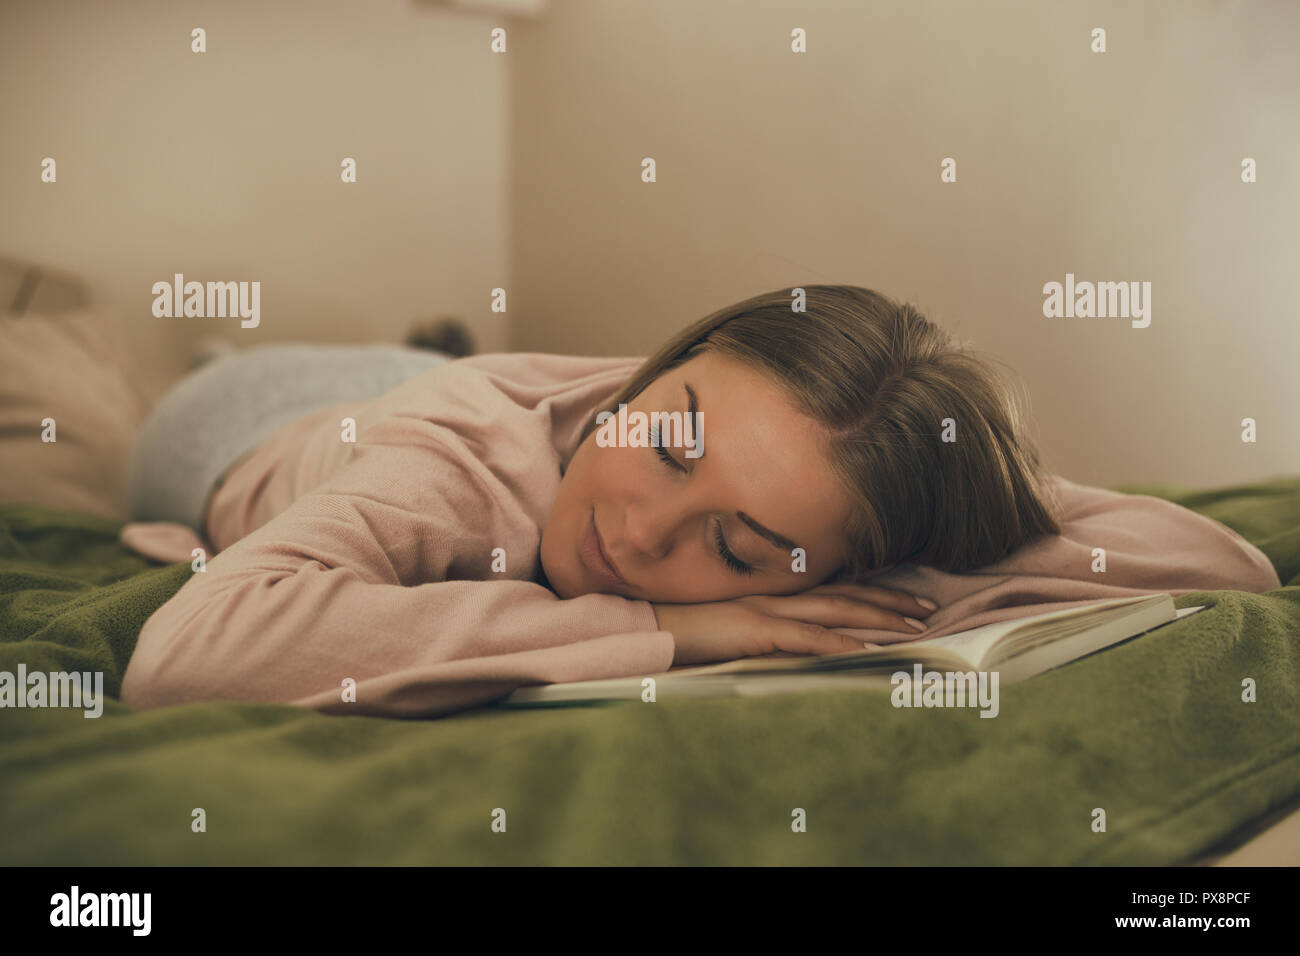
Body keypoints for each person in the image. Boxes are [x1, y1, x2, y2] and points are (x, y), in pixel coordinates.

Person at [118, 286, 1279, 716]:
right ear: (661, 363)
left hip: (453, 388)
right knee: (398, 375)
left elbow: (1226, 565)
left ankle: (434, 345)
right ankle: (406, 349)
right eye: (668, 445)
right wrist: (668, 623)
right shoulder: (457, 472)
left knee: (433, 360)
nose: (633, 533)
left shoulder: (802, 484)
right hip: (231, 421)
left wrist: (939, 502)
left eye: (735, 544)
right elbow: (191, 648)